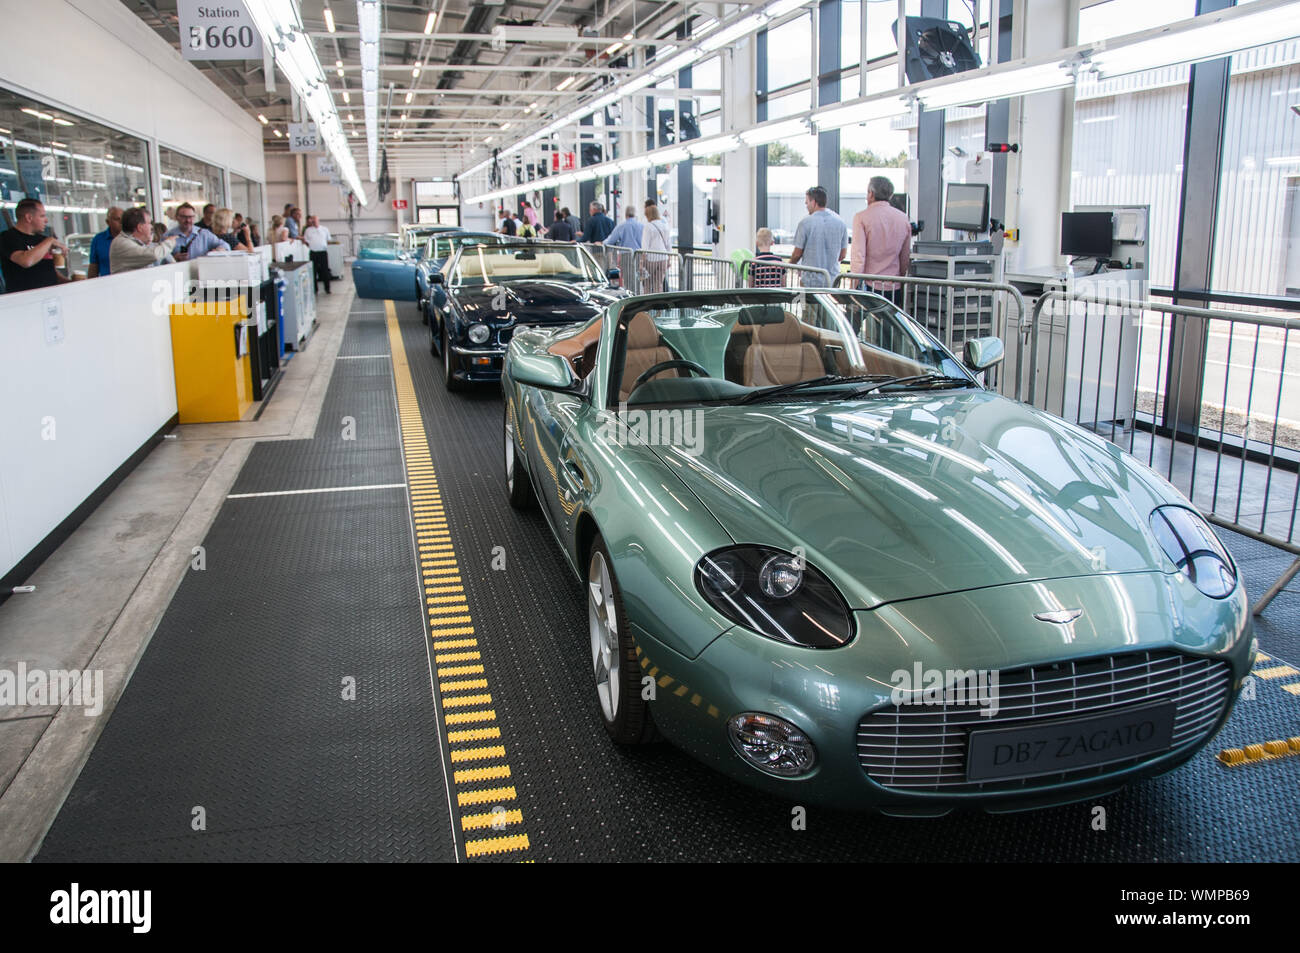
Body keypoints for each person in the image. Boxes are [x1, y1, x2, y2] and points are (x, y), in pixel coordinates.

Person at [850, 175, 912, 305]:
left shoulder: (861, 218)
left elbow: (858, 256)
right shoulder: (903, 218)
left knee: (853, 322)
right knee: (888, 324)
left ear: (871, 194)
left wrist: (853, 285)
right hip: (893, 286)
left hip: (868, 284)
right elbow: (905, 257)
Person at [1, 198, 67, 292]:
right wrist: (49, 241)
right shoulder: (8, 237)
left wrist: (69, 281)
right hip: (23, 300)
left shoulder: (42, 240)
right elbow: (26, 261)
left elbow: (50, 271)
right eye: (42, 216)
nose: (46, 220)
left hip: (48, 298)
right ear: (29, 218)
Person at [789, 185, 848, 287]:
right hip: (832, 280)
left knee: (808, 303)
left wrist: (789, 264)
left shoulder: (805, 223)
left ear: (814, 202)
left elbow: (797, 254)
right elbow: (842, 255)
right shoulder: (840, 222)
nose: (806, 206)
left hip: (810, 281)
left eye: (807, 202)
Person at [110, 206, 176, 273]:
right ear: (140, 227)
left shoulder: (136, 242)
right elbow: (154, 255)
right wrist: (170, 242)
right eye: (149, 223)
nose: (152, 227)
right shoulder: (121, 243)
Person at [164, 202, 229, 260]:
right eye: (184, 217)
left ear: (194, 217)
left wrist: (219, 250)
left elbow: (225, 245)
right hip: (178, 271)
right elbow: (160, 260)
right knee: (178, 274)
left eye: (190, 217)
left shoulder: (204, 234)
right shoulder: (168, 235)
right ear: (177, 217)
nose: (188, 220)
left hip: (199, 271)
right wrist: (174, 258)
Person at [640, 203, 672, 292]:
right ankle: (659, 304)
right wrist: (669, 259)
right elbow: (669, 244)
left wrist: (642, 261)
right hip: (663, 258)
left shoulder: (648, 226)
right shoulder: (665, 226)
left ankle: (648, 304)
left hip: (651, 258)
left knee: (647, 283)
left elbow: (645, 246)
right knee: (659, 284)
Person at [87, 206, 123, 278]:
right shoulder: (98, 240)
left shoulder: (132, 237)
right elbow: (93, 268)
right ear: (108, 222)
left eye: (123, 219)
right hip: (107, 284)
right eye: (117, 219)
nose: (121, 222)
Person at [302, 214, 333, 294]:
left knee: (325, 270)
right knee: (313, 271)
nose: (314, 222)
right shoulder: (308, 230)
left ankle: (327, 288)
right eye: (313, 220)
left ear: (318, 221)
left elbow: (328, 239)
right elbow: (306, 241)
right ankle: (315, 289)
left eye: (315, 220)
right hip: (313, 252)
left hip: (322, 251)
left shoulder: (324, 229)